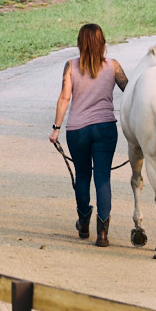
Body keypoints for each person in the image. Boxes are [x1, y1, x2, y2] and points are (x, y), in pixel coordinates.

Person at [50, 24, 128, 247]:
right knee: (102, 177)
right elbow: (130, 92)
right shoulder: (113, 66)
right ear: (102, 42)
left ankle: (83, 221)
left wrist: (56, 128)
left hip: (78, 130)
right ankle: (102, 233)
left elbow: (65, 98)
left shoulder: (70, 66)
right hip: (105, 129)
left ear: (80, 43)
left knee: (83, 175)